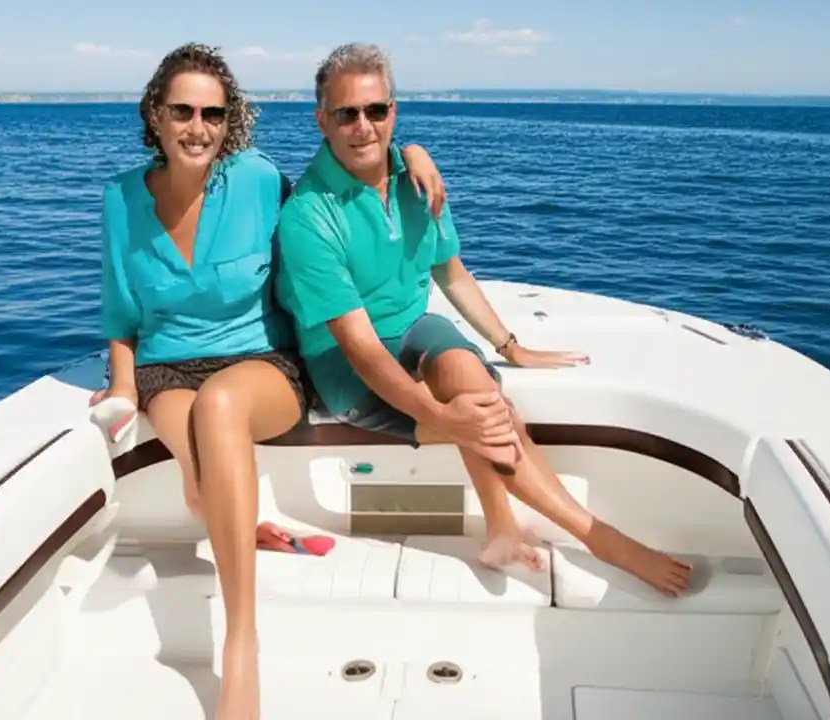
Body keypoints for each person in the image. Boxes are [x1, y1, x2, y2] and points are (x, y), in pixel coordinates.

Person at [91, 43, 449, 720]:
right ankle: (245, 521)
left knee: (220, 409)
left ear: (231, 123)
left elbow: (343, 177)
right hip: (167, 366)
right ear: (156, 116)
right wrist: (120, 389)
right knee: (201, 485)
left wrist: (412, 155)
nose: (198, 127)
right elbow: (119, 313)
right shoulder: (119, 199)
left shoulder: (256, 179)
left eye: (214, 114)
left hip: (262, 362)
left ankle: (242, 649)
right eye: (183, 111)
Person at [275, 43, 693, 597]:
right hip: (348, 368)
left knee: (476, 388)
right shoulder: (308, 214)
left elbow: (452, 274)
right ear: (322, 121)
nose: (363, 127)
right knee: (484, 415)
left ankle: (502, 530)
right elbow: (362, 350)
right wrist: (443, 419)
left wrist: (510, 345)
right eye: (346, 113)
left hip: (412, 328)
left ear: (393, 113)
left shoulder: (413, 179)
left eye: (376, 111)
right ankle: (598, 538)